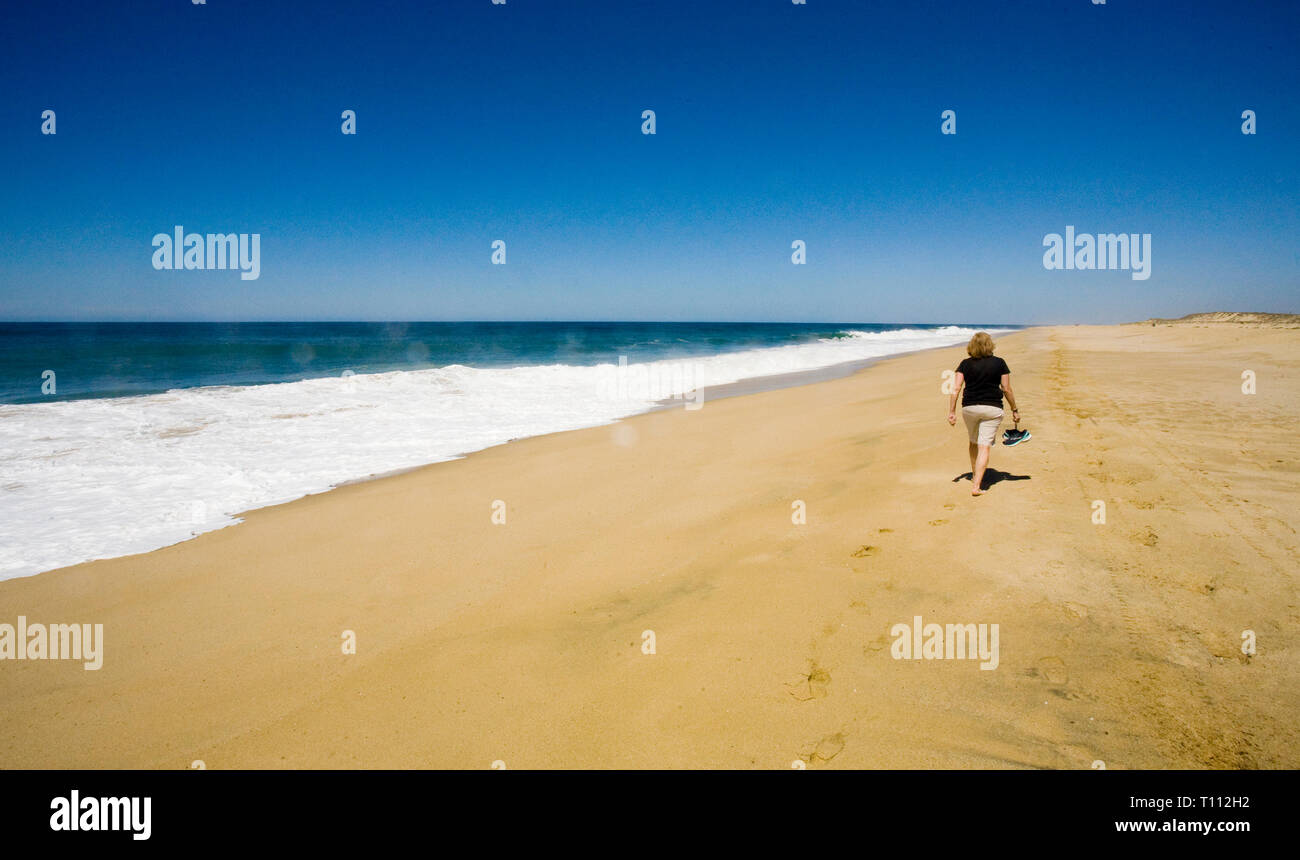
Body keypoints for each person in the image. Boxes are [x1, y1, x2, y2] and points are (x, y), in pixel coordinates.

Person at [946, 332, 1019, 496]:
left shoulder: (964, 364)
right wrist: (1014, 409)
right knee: (984, 446)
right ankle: (977, 486)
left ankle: (974, 476)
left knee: (973, 442)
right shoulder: (1000, 363)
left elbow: (956, 388)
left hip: (969, 409)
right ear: (990, 345)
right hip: (992, 410)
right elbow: (1006, 389)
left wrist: (951, 411)